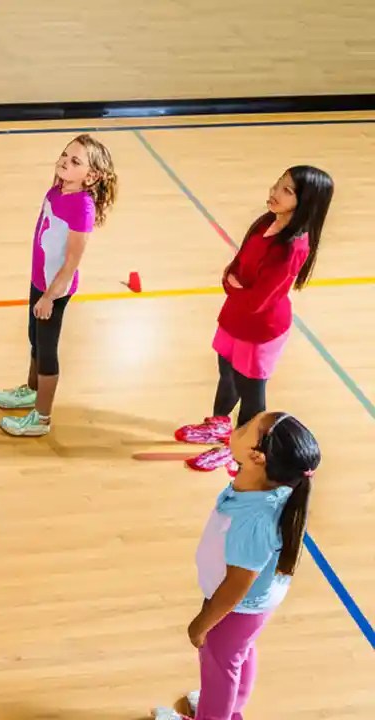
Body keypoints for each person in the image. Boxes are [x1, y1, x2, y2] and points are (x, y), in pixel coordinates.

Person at [151, 412, 319, 720]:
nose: (236, 429)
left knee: (220, 665)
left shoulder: (254, 520)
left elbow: (237, 585)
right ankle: (232, 706)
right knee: (239, 654)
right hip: (250, 606)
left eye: (244, 428)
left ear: (257, 456)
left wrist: (202, 622)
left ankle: (215, 714)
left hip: (236, 607)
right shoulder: (263, 490)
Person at [174, 167, 333, 472]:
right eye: (278, 184)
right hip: (236, 316)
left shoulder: (292, 248)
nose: (275, 192)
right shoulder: (265, 222)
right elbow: (237, 265)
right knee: (226, 371)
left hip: (260, 329)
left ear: (306, 202)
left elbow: (259, 300)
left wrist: (234, 288)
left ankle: (240, 450)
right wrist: (230, 283)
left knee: (251, 392)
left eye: (287, 191)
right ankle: (219, 425)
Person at [0, 134, 118, 437]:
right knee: (34, 338)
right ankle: (32, 390)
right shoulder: (56, 191)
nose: (64, 161)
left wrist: (49, 296)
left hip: (55, 290)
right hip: (41, 282)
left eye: (75, 161)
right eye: (65, 155)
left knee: (47, 351)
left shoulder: (82, 207)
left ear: (92, 176)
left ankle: (42, 417)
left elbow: (72, 260)